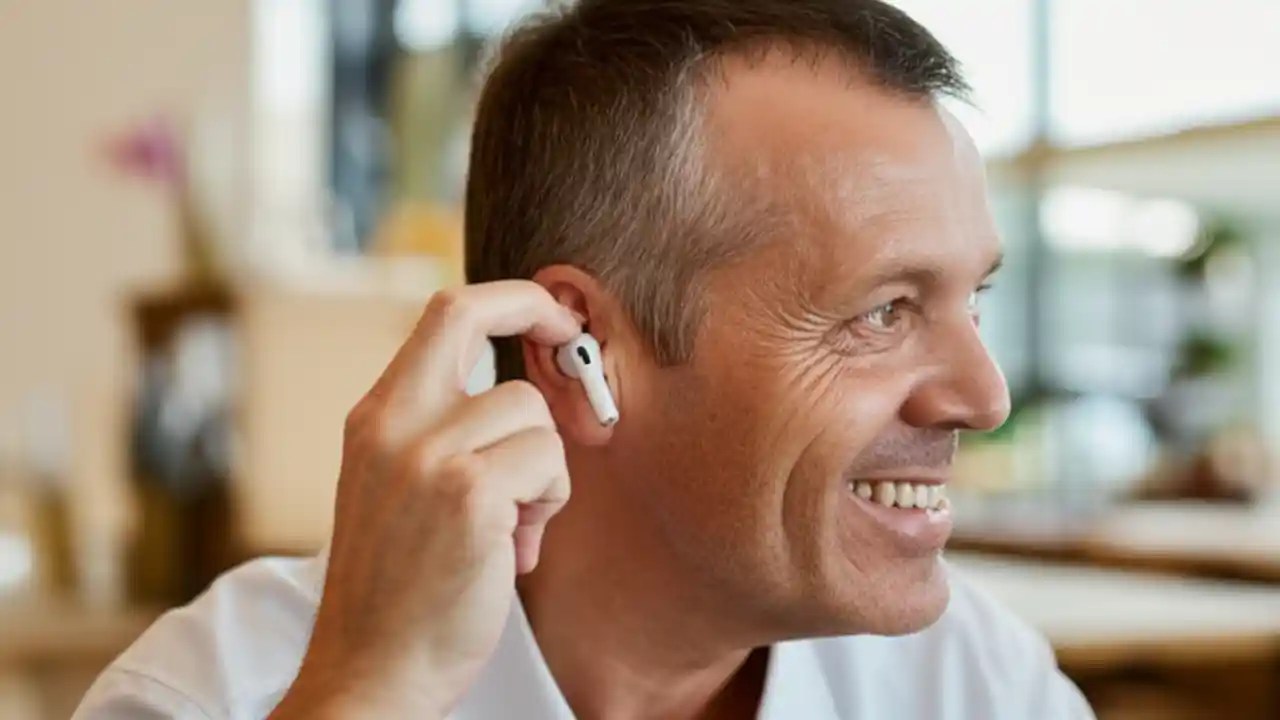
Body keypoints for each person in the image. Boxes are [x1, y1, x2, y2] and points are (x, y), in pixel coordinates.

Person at [76, 1, 1095, 718]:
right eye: (882, 311)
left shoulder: (970, 685)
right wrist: (363, 700)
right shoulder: (224, 693)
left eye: (974, 300)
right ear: (577, 354)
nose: (984, 396)